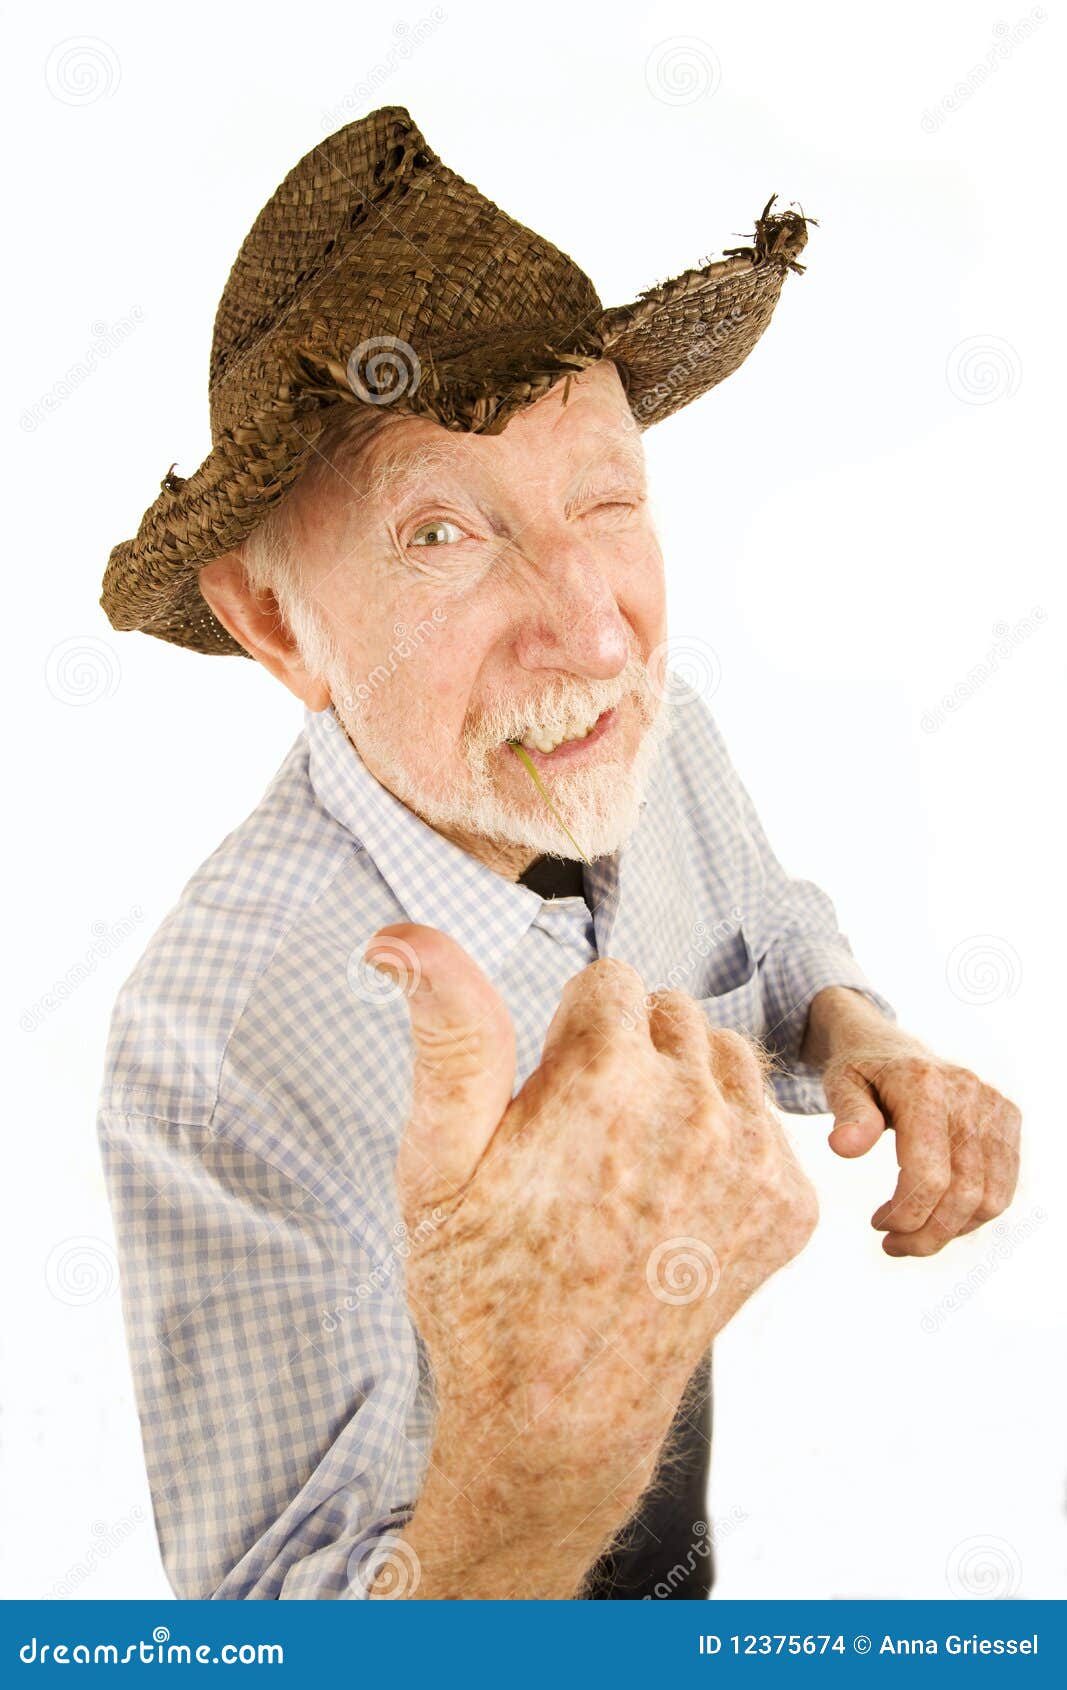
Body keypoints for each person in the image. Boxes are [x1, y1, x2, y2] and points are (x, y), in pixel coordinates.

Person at [95, 106, 1021, 1600]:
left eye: (606, 497)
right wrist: (550, 1428)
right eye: (442, 534)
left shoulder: (636, 733)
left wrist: (860, 1033)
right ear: (274, 622)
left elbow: (762, 924)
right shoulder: (217, 1049)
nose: (597, 636)